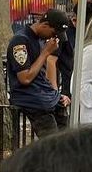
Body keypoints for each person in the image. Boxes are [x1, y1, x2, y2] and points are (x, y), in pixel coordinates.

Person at [6, 9, 72, 138]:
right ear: (45, 25)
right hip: (31, 98)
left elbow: (42, 74)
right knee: (53, 144)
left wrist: (56, 95)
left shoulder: (41, 40)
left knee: (66, 138)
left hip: (44, 94)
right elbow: (25, 78)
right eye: (53, 33)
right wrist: (46, 53)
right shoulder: (20, 41)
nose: (54, 37)